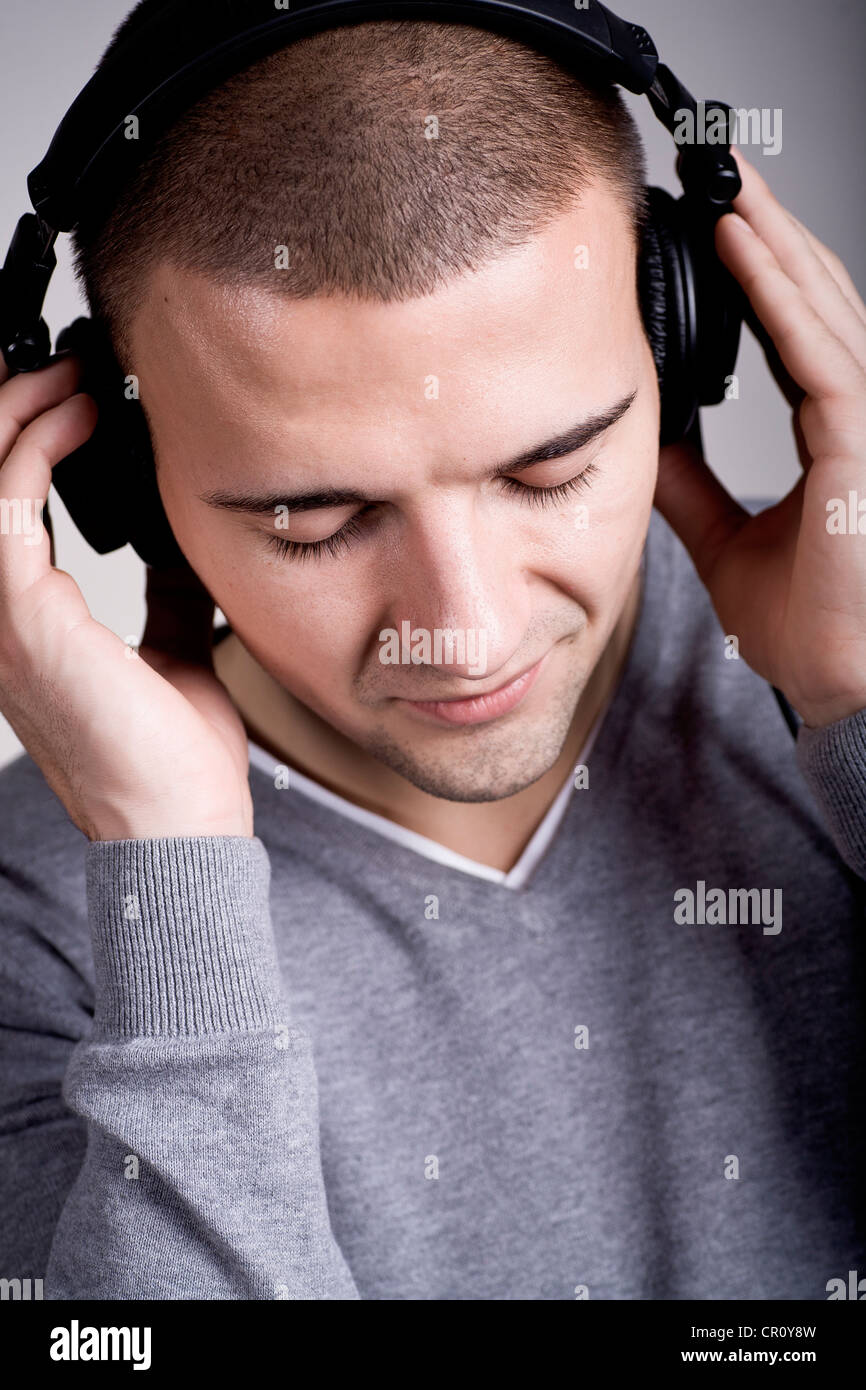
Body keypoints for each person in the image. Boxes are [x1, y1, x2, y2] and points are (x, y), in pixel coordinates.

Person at [0, 12, 864, 1301]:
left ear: (688, 350)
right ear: (118, 481)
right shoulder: (43, 917)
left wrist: (854, 712)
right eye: (314, 520)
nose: (463, 631)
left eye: (553, 469)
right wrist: (167, 877)